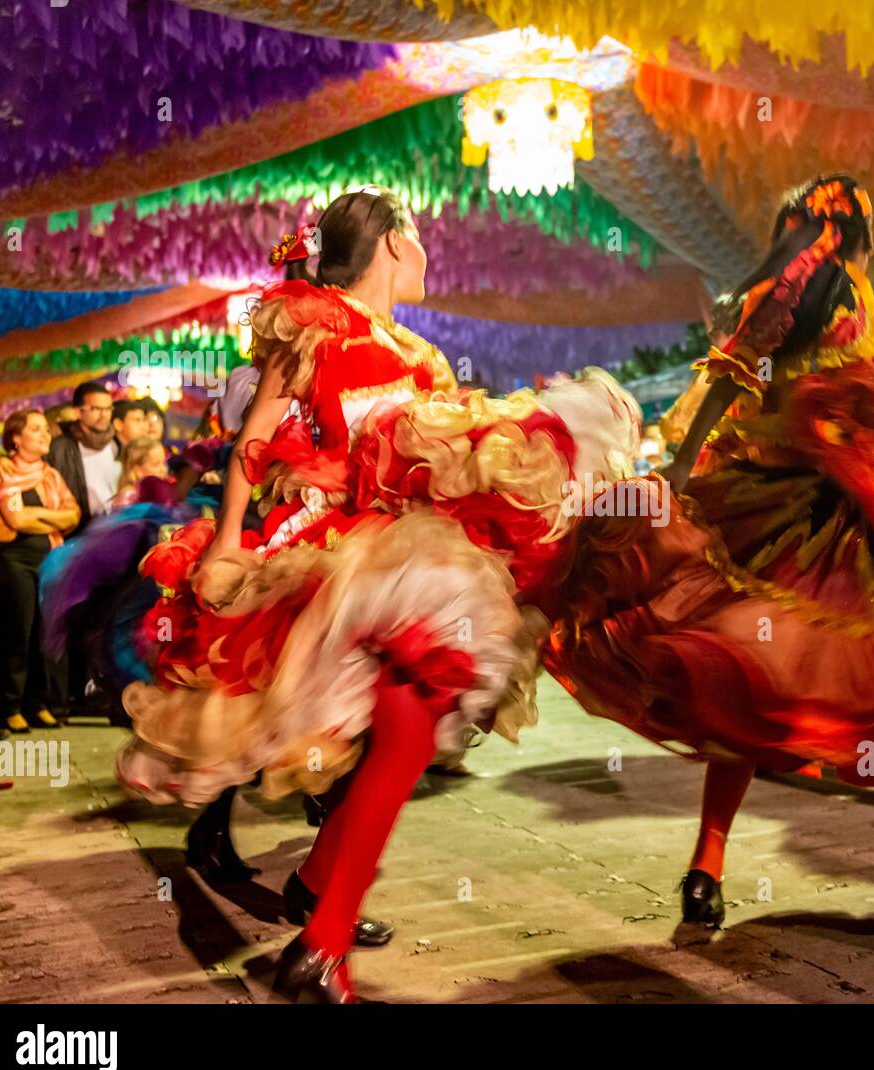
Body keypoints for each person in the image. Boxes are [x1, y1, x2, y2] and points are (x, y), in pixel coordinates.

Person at [115, 187, 641, 1001]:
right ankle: (319, 933)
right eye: (421, 236)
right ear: (394, 242)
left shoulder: (422, 356)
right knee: (387, 737)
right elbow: (254, 443)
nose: (429, 252)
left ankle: (318, 914)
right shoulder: (313, 322)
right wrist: (226, 542)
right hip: (332, 555)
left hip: (409, 563)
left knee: (403, 736)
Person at [546, 176, 874, 933]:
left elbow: (770, 372)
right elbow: (734, 366)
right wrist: (683, 464)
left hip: (861, 498)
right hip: (805, 502)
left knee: (842, 673)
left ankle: (777, 870)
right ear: (858, 226)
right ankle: (842, 870)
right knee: (818, 671)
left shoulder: (847, 287)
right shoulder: (810, 284)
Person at [0, 409, 79, 731]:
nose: (45, 435)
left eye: (46, 430)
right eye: (36, 429)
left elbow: (73, 515)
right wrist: (53, 515)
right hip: (12, 561)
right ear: (16, 438)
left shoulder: (50, 475)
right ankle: (10, 706)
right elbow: (16, 520)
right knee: (18, 633)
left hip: (47, 559)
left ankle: (36, 704)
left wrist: (42, 515)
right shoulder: (3, 469)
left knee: (41, 634)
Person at [48, 381, 118, 535]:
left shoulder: (114, 444)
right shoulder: (61, 447)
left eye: (108, 409)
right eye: (96, 409)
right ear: (78, 412)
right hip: (77, 532)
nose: (104, 415)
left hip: (111, 528)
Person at [110, 438, 170, 510]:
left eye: (164, 463)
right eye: (156, 464)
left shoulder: (164, 492)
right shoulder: (128, 497)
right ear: (137, 470)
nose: (163, 470)